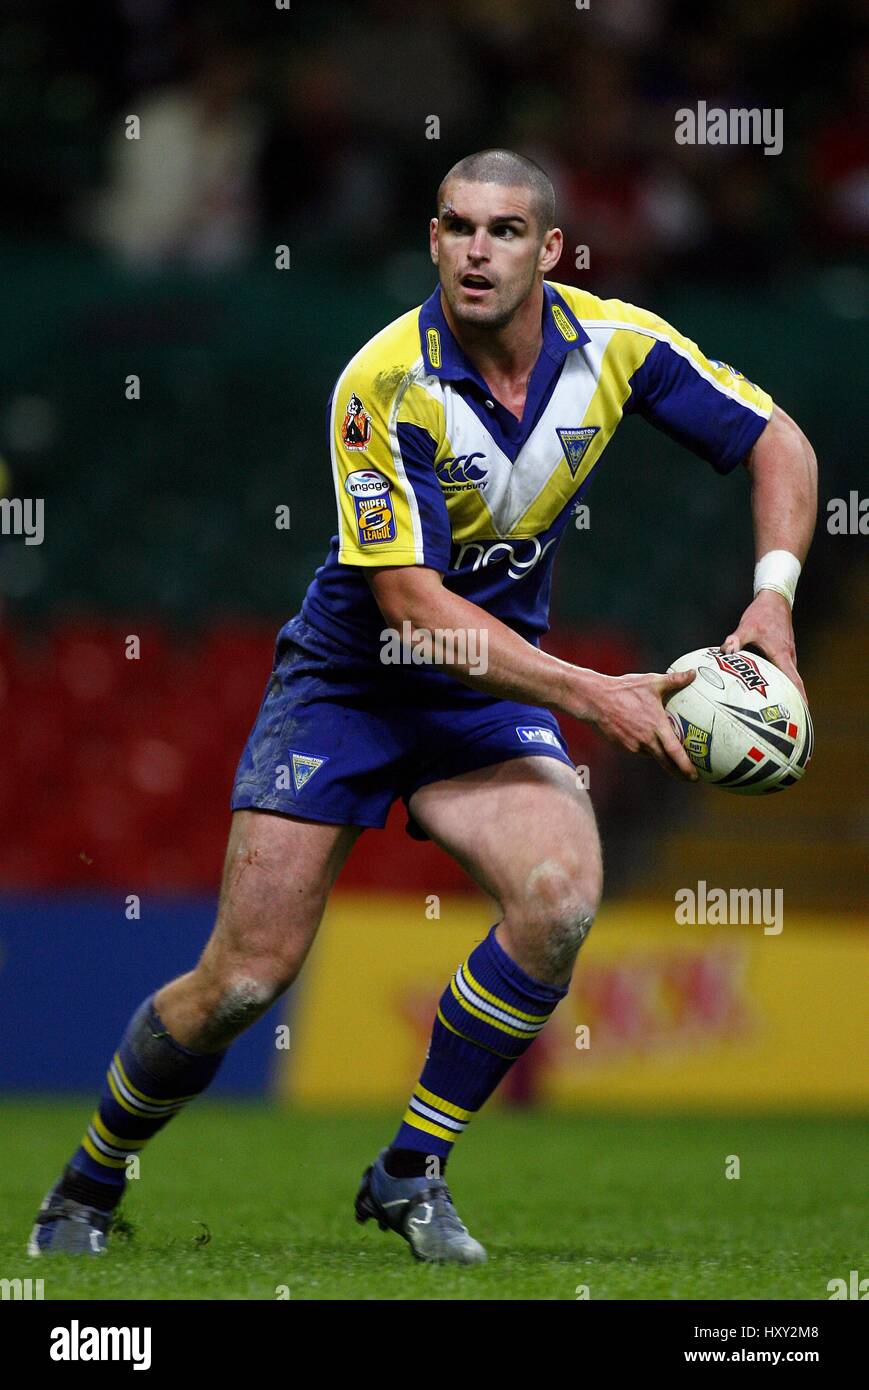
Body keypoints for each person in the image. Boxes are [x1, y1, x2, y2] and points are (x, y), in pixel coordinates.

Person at [30, 149, 816, 1264]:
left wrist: (772, 600)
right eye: (455, 228)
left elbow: (778, 439)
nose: (475, 251)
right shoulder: (382, 378)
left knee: (557, 900)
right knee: (244, 979)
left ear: (549, 250)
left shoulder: (616, 346)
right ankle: (88, 1180)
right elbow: (410, 609)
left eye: (502, 231)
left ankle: (409, 1170)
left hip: (483, 697)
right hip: (349, 684)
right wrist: (591, 691)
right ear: (433, 241)